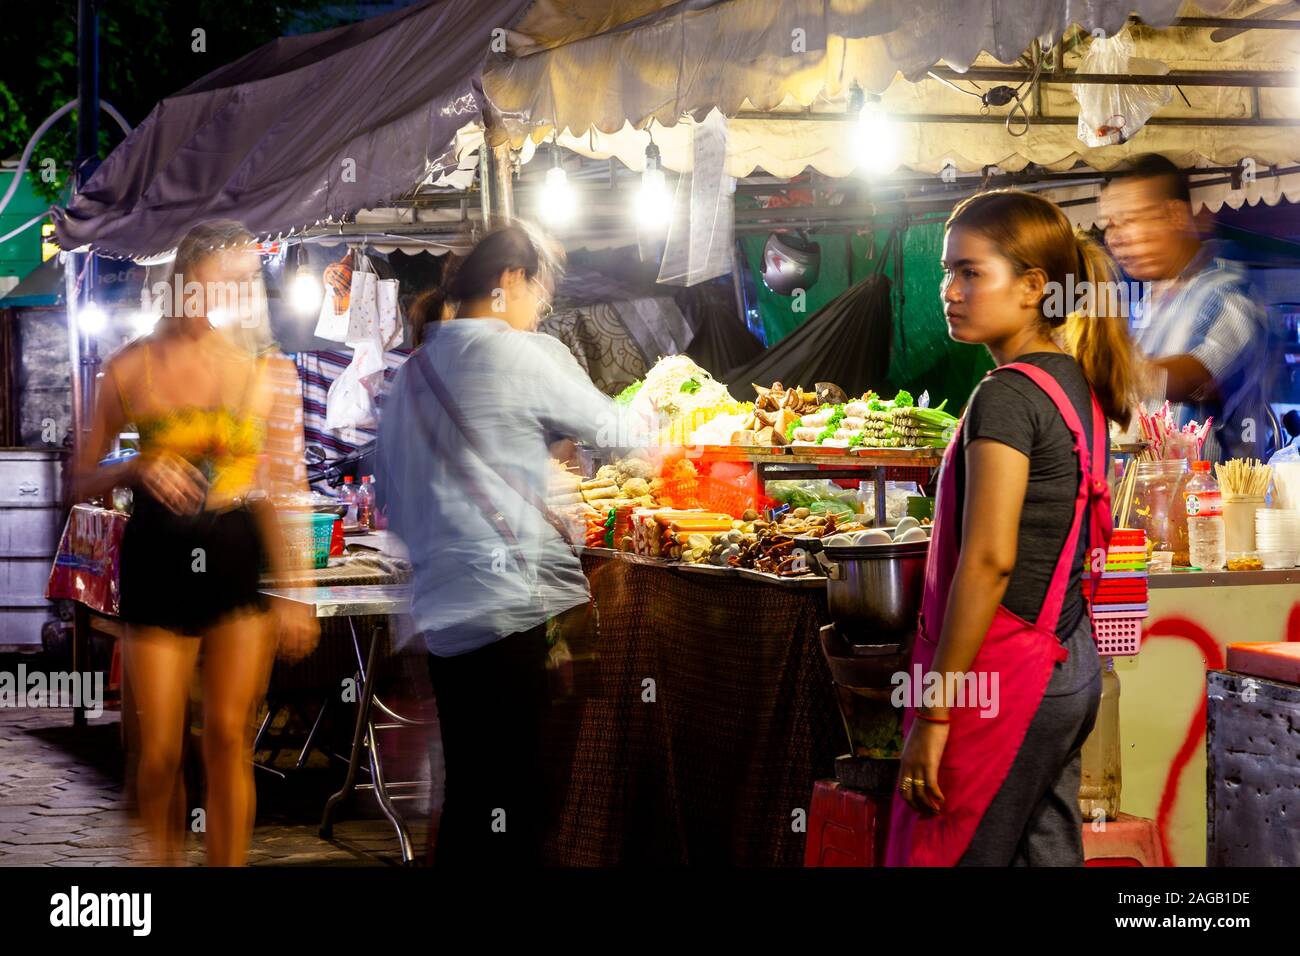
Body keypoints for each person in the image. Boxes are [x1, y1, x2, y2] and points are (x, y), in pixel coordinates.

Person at [378, 224, 643, 866]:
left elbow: (394, 495)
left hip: (443, 620)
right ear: (511, 283)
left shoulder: (412, 377)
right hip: (516, 613)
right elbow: (622, 428)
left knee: (470, 790)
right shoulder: (518, 355)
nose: (537, 315)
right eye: (538, 299)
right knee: (520, 798)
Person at [887, 190, 1137, 866]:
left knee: (948, 852)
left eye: (971, 272)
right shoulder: (1072, 384)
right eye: (948, 271)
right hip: (1067, 666)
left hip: (1003, 682)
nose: (949, 290)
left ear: (1032, 287)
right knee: (1043, 855)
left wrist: (937, 711)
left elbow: (988, 560)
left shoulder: (1005, 396)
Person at [74, 220, 319, 866]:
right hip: (157, 553)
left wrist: (297, 592)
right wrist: (132, 468)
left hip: (236, 554)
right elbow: (78, 474)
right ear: (182, 280)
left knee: (230, 739)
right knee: (157, 753)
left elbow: (282, 490)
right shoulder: (128, 366)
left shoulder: (267, 374)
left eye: (241, 282)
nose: (228, 294)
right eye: (217, 278)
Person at [1098, 154, 1271, 462]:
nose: (1115, 238)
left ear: (1175, 215)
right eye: (1109, 224)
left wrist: (1101, 367)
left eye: (1128, 220)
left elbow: (1197, 379)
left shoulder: (1228, 292)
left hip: (1208, 504)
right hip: (1152, 502)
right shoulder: (1149, 301)